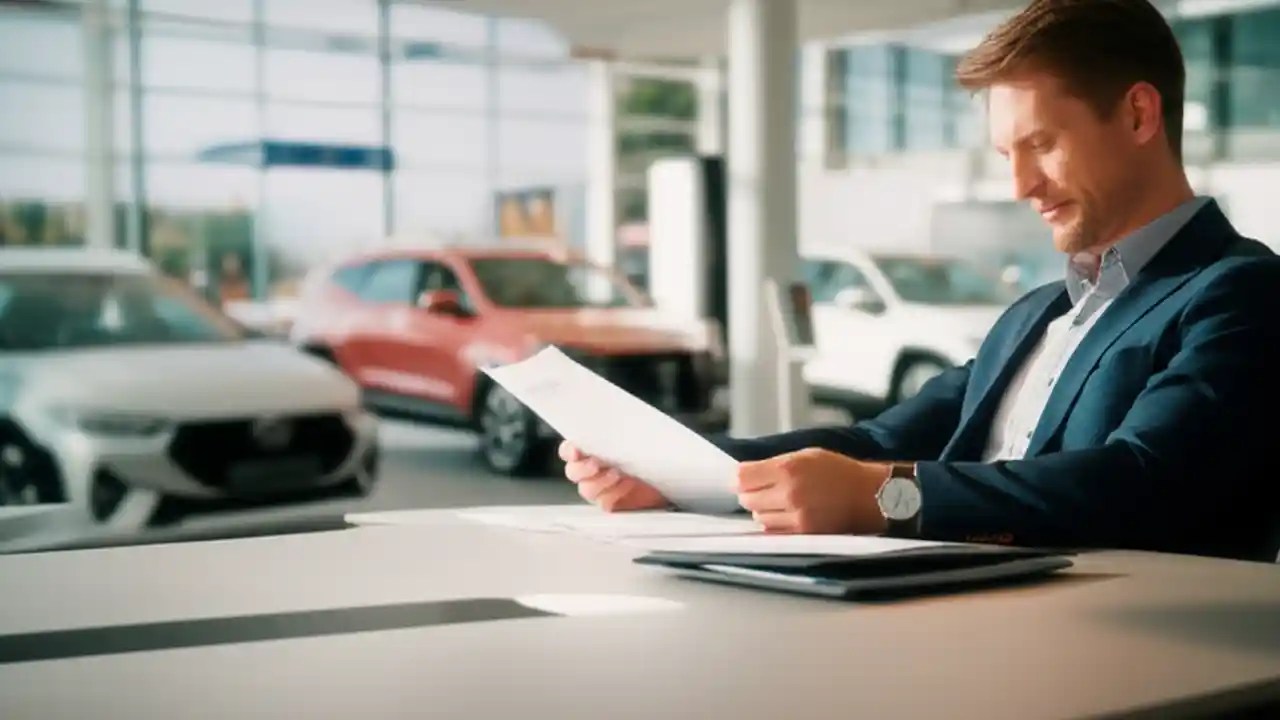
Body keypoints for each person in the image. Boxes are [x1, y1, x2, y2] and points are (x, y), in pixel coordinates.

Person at [560, 0, 1280, 562]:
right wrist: (680, 471)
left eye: (1042, 144)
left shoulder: (1238, 291)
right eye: (1007, 153)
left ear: (1138, 113)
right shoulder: (1035, 317)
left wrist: (887, 498)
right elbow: (876, 438)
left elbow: (1141, 483)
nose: (1021, 183)